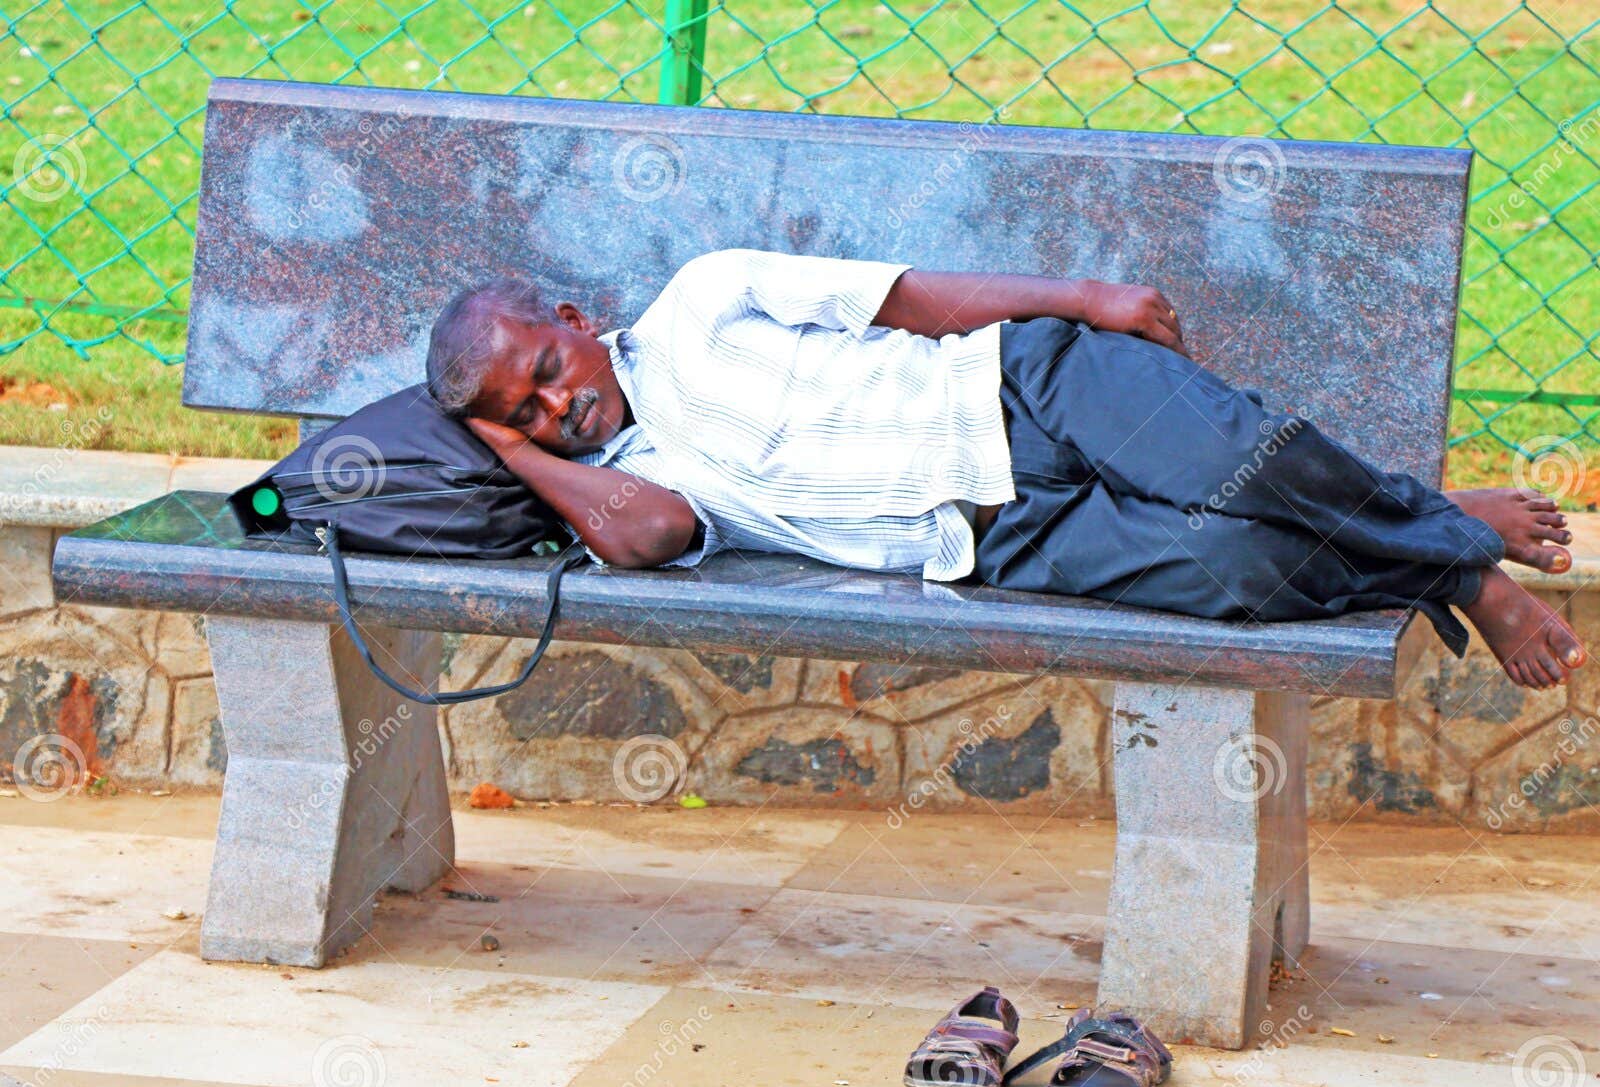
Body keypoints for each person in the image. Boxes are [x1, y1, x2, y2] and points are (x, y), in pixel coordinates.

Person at [424, 249, 1584, 690]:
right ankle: (1437, 533)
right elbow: (649, 542)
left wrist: (1084, 299)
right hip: (998, 540)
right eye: (521, 412)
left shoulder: (700, 296)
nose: (552, 401)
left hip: (1020, 390)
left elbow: (909, 300)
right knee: (1236, 568)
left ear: (572, 318)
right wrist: (508, 445)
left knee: (1240, 464)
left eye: (542, 367)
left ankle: (1462, 566)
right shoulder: (629, 483)